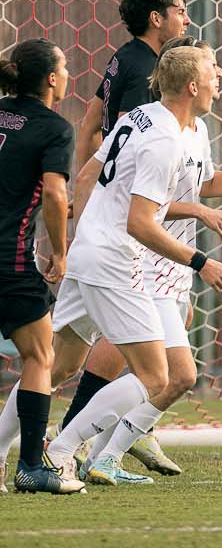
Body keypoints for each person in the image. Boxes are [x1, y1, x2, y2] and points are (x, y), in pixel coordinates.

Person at [60, 38, 222, 480]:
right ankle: (66, 443)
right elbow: (140, 208)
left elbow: (204, 183)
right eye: (213, 66)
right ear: (191, 81)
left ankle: (97, 453)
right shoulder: (158, 131)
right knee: (159, 372)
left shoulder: (193, 130)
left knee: (164, 375)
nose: (220, 75)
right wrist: (200, 251)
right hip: (144, 260)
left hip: (162, 263)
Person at [58, 0, 192, 476]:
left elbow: (91, 130)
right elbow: (132, 152)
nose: (185, 16)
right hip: (127, 231)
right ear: (156, 18)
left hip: (105, 225)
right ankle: (81, 440)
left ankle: (112, 434)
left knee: (72, 353)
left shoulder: (122, 58)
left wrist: (85, 192)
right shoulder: (148, 76)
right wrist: (102, 199)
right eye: (179, 9)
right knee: (137, 343)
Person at [0, 40, 85, 494]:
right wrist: (60, 251)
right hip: (9, 259)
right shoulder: (54, 127)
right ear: (51, 79)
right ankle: (32, 466)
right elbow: (53, 193)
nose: (68, 72)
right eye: (65, 66)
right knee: (39, 356)